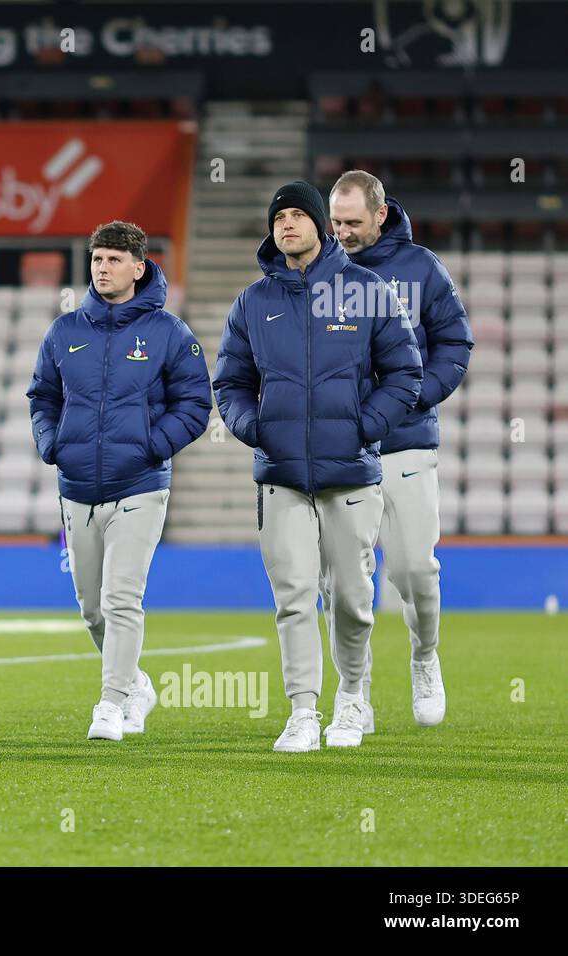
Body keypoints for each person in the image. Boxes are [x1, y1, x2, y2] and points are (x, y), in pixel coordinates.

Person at [213, 181, 422, 753]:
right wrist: (254, 429)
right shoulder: (253, 302)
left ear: (322, 226)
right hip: (279, 474)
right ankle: (303, 711)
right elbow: (229, 382)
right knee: (294, 596)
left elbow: (405, 373)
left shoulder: (369, 291)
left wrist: (365, 427)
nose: (286, 224)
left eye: (297, 215)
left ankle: (352, 697)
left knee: (353, 598)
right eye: (278, 216)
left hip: (350, 473)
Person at [28, 221, 211, 741]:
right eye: (97, 260)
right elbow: (42, 396)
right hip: (77, 490)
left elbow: (196, 405)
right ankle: (136, 685)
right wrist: (52, 444)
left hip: (141, 487)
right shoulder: (64, 331)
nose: (102, 269)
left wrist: (152, 447)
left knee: (120, 599)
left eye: (113, 260)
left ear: (138, 266)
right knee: (91, 609)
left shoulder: (169, 333)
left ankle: (109, 704)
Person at [327, 171, 472, 731]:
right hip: (341, 449)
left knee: (414, 569)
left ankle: (424, 657)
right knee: (344, 581)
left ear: (381, 215)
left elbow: (455, 343)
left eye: (352, 223)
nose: (341, 233)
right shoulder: (318, 274)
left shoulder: (421, 268)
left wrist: (410, 398)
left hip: (406, 442)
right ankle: (354, 692)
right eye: (334, 222)